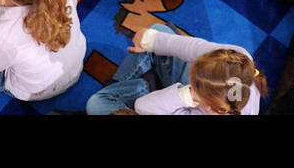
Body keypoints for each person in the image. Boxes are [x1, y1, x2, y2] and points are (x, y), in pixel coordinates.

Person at [86, 24, 264, 115]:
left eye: (193, 85)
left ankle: (139, 87)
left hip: (158, 107)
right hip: (190, 99)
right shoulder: (240, 59)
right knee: (158, 31)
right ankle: (144, 85)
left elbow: (143, 107)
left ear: (212, 109)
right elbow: (195, 48)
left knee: (96, 104)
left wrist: (185, 95)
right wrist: (152, 40)